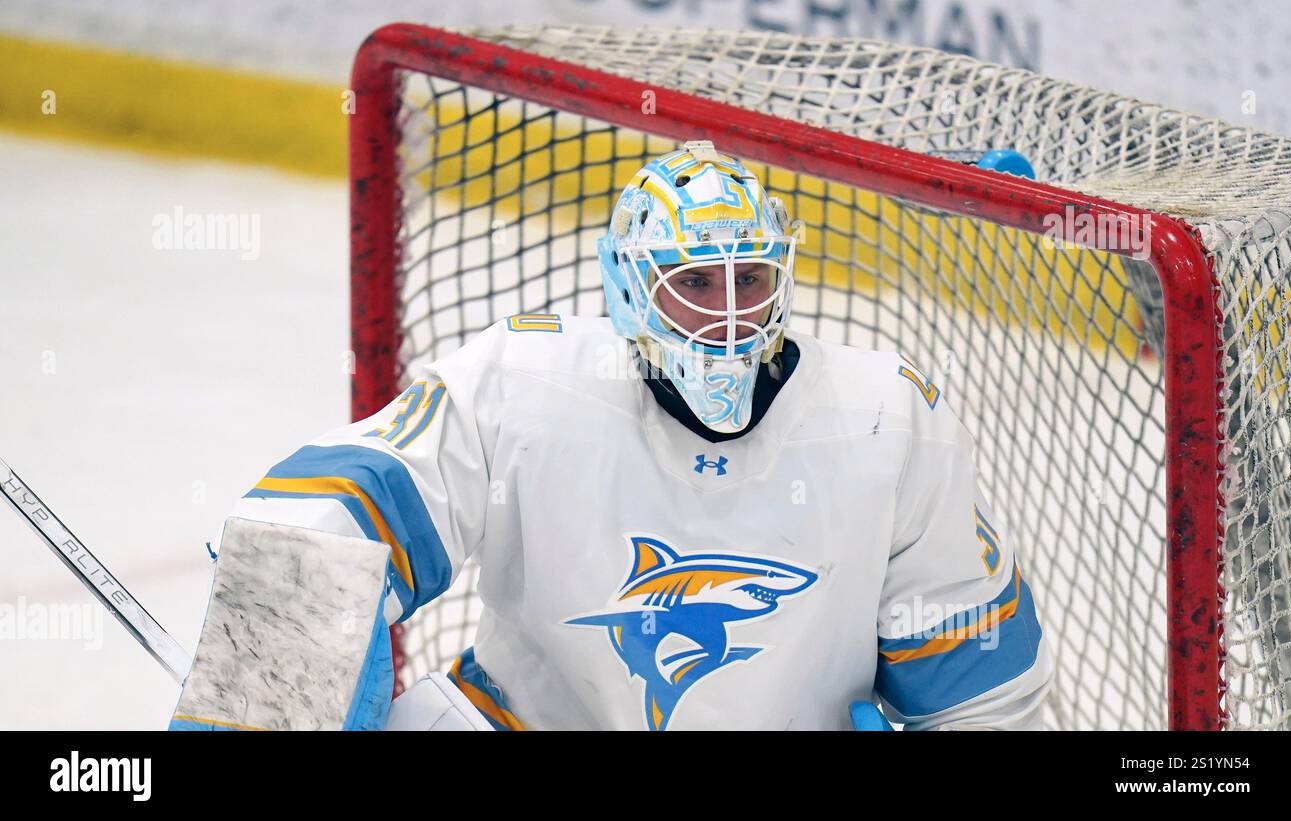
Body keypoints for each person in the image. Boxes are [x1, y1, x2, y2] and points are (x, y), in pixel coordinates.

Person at [170, 141, 1053, 731]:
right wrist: (275, 677)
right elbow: (332, 509)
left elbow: (982, 685)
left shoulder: (885, 415)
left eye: (751, 278)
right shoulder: (531, 381)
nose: (732, 316)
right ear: (632, 290)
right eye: (696, 283)